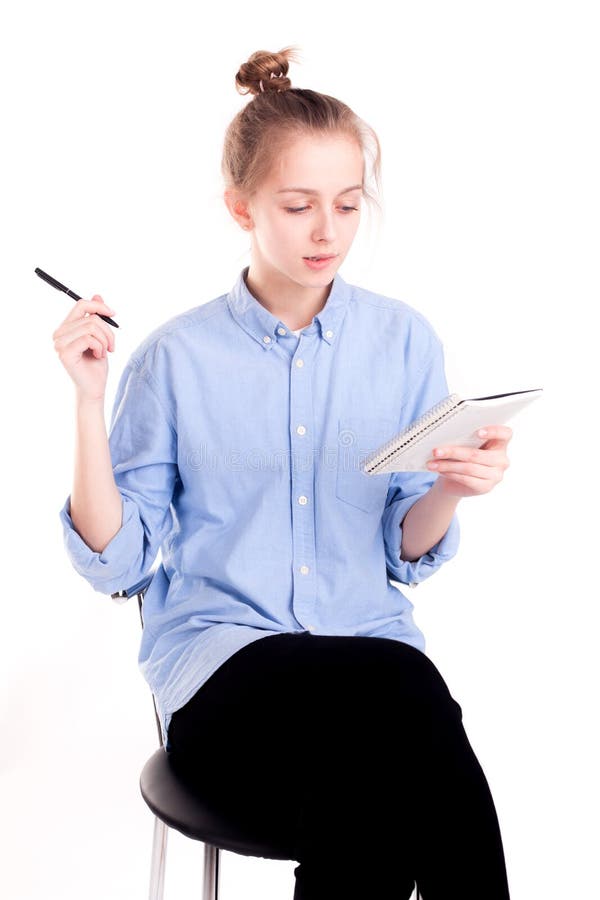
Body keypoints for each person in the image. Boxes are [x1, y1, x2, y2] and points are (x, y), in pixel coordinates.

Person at [54, 46, 512, 900]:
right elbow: (117, 563)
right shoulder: (177, 359)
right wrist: (88, 404)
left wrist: (452, 483)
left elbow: (403, 549)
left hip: (370, 691)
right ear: (242, 207)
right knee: (405, 689)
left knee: (369, 811)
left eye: (346, 205)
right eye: (299, 206)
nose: (327, 231)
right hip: (227, 676)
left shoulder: (403, 342)